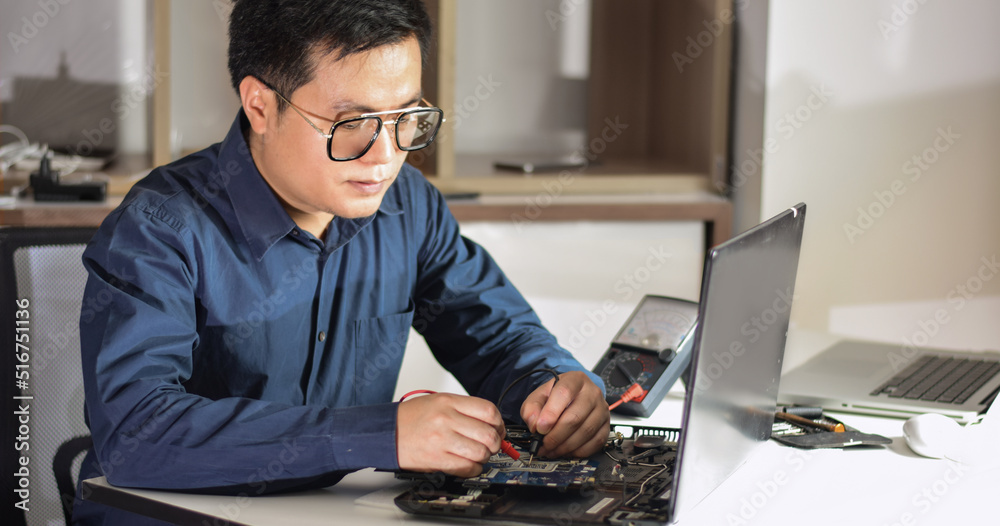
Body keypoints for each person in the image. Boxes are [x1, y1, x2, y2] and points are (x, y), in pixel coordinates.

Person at [73, 1, 608, 524]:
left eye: (406, 117)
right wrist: (383, 434)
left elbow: (498, 336)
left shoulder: (409, 207)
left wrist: (552, 388)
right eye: (352, 122)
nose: (386, 156)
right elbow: (136, 433)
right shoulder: (159, 229)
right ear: (260, 105)